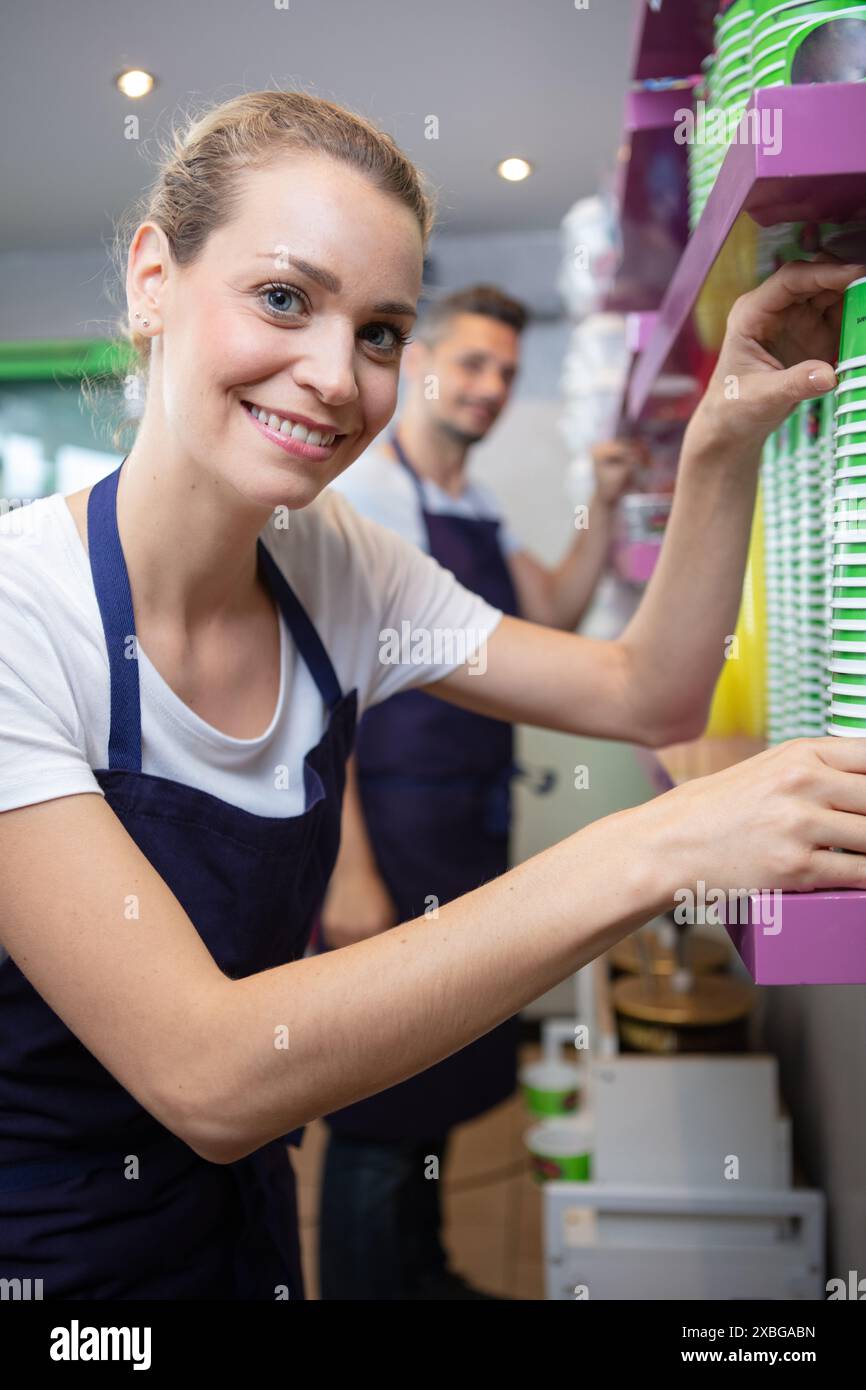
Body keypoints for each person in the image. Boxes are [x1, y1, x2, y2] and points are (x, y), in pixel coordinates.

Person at [0, 89, 863, 1302]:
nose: (333, 376)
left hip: (241, 1238)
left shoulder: (330, 560)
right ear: (153, 277)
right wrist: (660, 842)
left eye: (380, 332)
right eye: (285, 298)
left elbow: (650, 689)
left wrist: (718, 439)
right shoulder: (19, 621)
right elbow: (207, 1072)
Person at [317, 283, 640, 1300]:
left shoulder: (474, 502)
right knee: (377, 1103)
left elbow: (546, 611)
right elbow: (324, 707)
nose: (490, 386)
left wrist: (607, 498)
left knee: (441, 1081)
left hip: (462, 836)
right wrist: (348, 877)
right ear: (419, 366)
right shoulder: (368, 496)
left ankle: (425, 1271)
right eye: (470, 363)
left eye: (505, 369)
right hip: (388, 840)